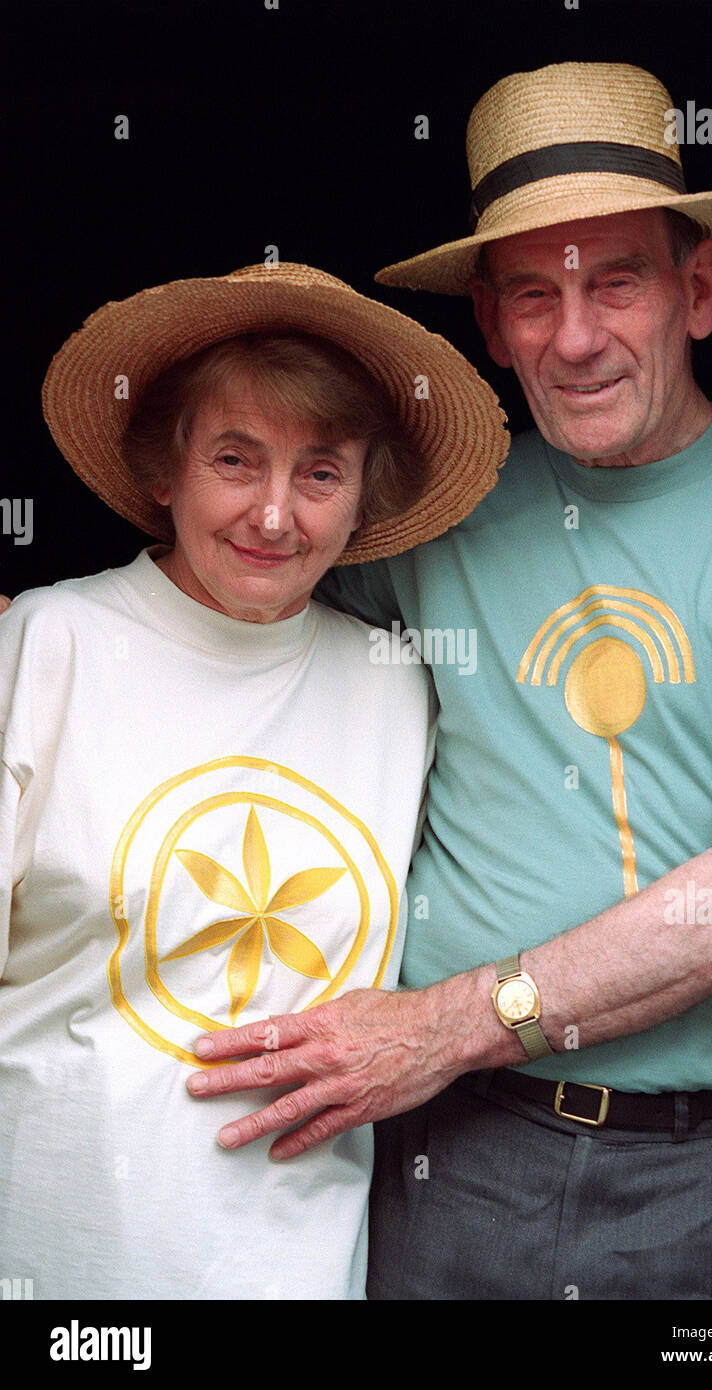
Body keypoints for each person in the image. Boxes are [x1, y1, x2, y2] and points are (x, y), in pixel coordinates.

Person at [187, 65, 712, 1300]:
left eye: (619, 283)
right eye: (535, 296)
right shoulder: (430, 518)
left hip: (698, 1190)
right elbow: (234, 638)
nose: (577, 335)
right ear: (489, 326)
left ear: (698, 288)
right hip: (443, 1171)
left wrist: (437, 1028)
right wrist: (48, 629)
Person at [0, 261, 507, 1299]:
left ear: (366, 496)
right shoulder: (50, 641)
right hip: (57, 1258)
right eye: (237, 459)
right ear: (164, 467)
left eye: (320, 473)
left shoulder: (396, 688)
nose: (275, 516)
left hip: (295, 1268)